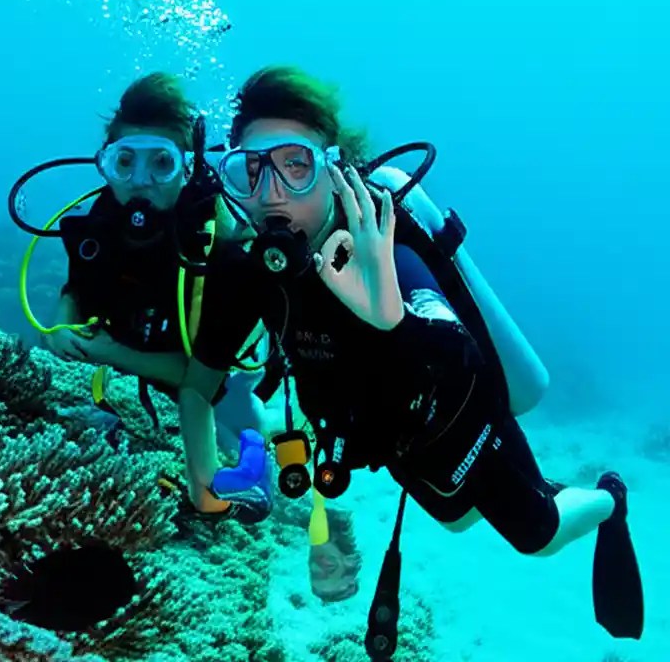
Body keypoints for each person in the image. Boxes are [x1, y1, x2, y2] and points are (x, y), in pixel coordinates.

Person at [208, 65, 643, 645]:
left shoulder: (383, 243)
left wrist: (390, 317)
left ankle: (609, 499)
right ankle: (543, 486)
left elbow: (457, 353)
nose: (271, 193)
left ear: (332, 168)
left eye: (295, 165)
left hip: (463, 420)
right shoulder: (262, 269)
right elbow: (222, 378)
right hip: (390, 433)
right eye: (251, 170)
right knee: (459, 520)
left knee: (537, 535)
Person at [33, 72, 275, 522]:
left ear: (187, 167)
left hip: (218, 371)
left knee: (243, 441)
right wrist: (63, 319)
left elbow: (195, 373)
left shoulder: (218, 249)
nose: (140, 183)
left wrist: (110, 352)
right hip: (146, 350)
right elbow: (77, 288)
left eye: (160, 164)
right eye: (125, 163)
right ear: (105, 163)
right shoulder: (101, 226)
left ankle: (264, 448)